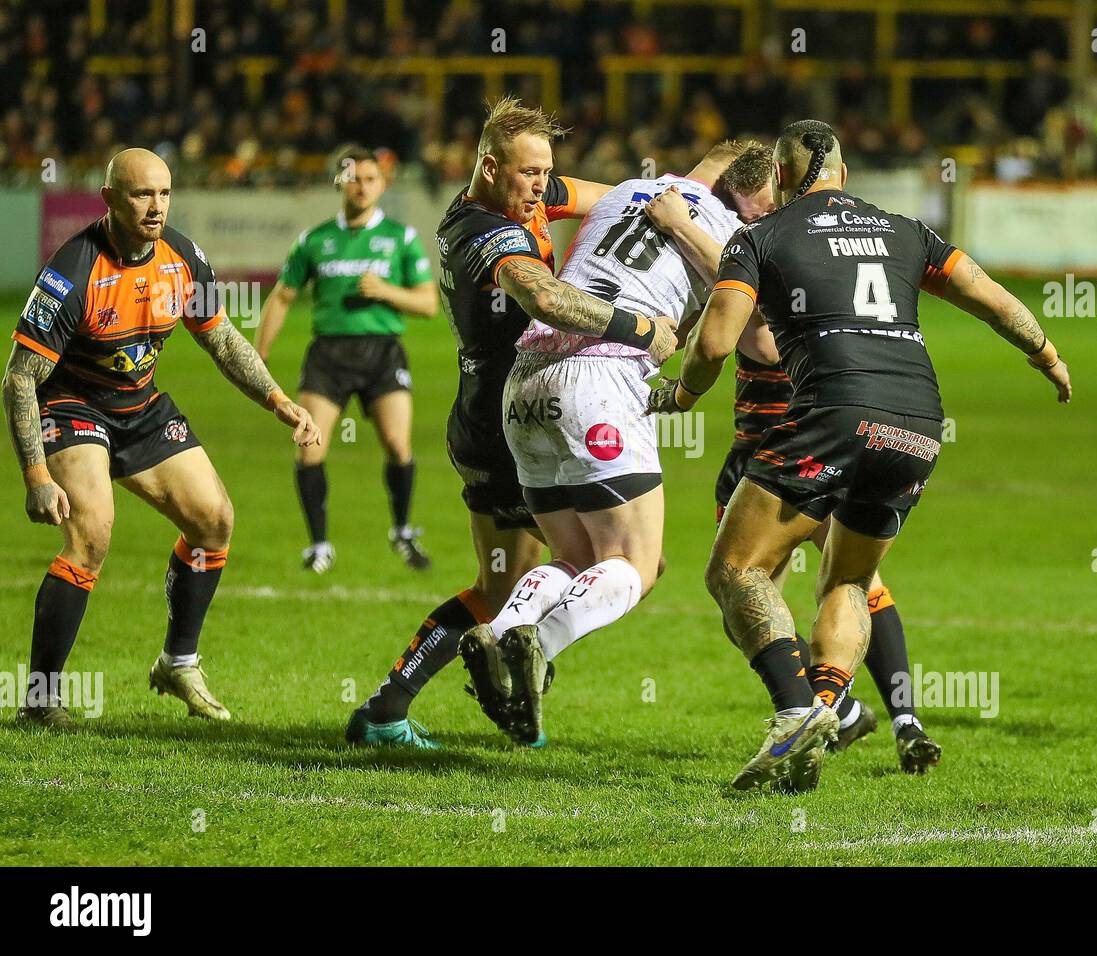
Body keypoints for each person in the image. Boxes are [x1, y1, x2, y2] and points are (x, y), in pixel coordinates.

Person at [648, 120, 1070, 792]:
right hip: (920, 426)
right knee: (848, 581)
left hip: (835, 416)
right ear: (844, 173)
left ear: (781, 178)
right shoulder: (906, 231)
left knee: (736, 569)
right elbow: (989, 297)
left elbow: (716, 342)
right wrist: (1044, 352)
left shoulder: (761, 236)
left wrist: (680, 394)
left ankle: (796, 712)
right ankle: (825, 705)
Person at [346, 97, 674, 750]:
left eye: (545, 174)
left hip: (511, 417)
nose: (540, 188)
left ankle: (441, 697)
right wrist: (641, 327)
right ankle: (475, 692)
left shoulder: (521, 194)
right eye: (528, 175)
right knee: (598, 569)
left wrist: (656, 201)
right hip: (506, 429)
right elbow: (544, 296)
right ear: (491, 168)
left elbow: (607, 198)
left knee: (534, 580)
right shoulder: (482, 234)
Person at [458, 141, 770, 746]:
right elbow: (758, 343)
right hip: (600, 381)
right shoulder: (732, 233)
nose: (764, 219)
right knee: (637, 565)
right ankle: (537, 645)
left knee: (573, 562)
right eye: (763, 206)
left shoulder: (627, 190)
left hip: (526, 381)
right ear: (743, 190)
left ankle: (500, 631)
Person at [648, 144, 941, 774]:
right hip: (766, 438)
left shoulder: (770, 242)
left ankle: (843, 712)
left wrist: (686, 231)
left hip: (808, 433)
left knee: (825, 579)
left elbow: (759, 334)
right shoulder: (774, 237)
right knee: (763, 599)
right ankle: (845, 711)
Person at [3, 148, 320, 728]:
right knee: (91, 535)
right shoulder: (71, 273)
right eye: (140, 195)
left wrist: (278, 400)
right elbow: (20, 378)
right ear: (109, 200)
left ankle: (178, 663)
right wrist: (37, 476)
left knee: (213, 518)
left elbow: (221, 338)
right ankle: (40, 701)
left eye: (164, 193)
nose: (155, 207)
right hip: (75, 406)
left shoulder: (182, 256)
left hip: (141, 406)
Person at [255, 146, 440, 573]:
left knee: (397, 445)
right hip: (329, 355)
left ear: (383, 184)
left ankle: (402, 530)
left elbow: (428, 304)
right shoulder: (315, 240)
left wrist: (386, 292)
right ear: (340, 182)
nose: (362, 186)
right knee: (310, 449)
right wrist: (259, 353)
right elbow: (282, 297)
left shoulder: (401, 237)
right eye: (353, 178)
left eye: (370, 179)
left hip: (382, 352)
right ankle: (319, 545)